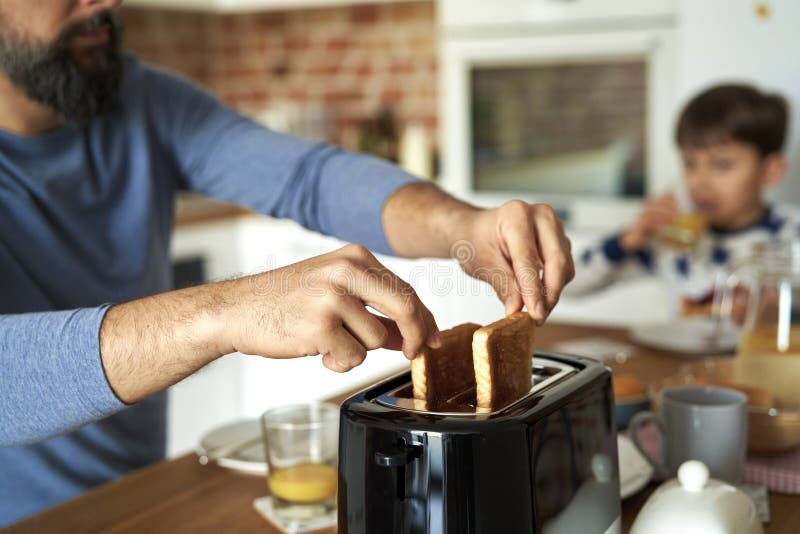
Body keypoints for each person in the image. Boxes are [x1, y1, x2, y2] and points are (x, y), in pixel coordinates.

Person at [0, 0, 574, 525]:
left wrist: (464, 227)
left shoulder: (141, 97)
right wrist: (224, 311)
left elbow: (307, 177)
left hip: (141, 494)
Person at [568, 83, 791, 315]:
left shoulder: (790, 237)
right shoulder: (672, 241)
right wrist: (626, 241)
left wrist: (777, 315)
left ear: (770, 171)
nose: (700, 182)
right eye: (690, 163)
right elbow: (567, 287)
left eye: (722, 164)